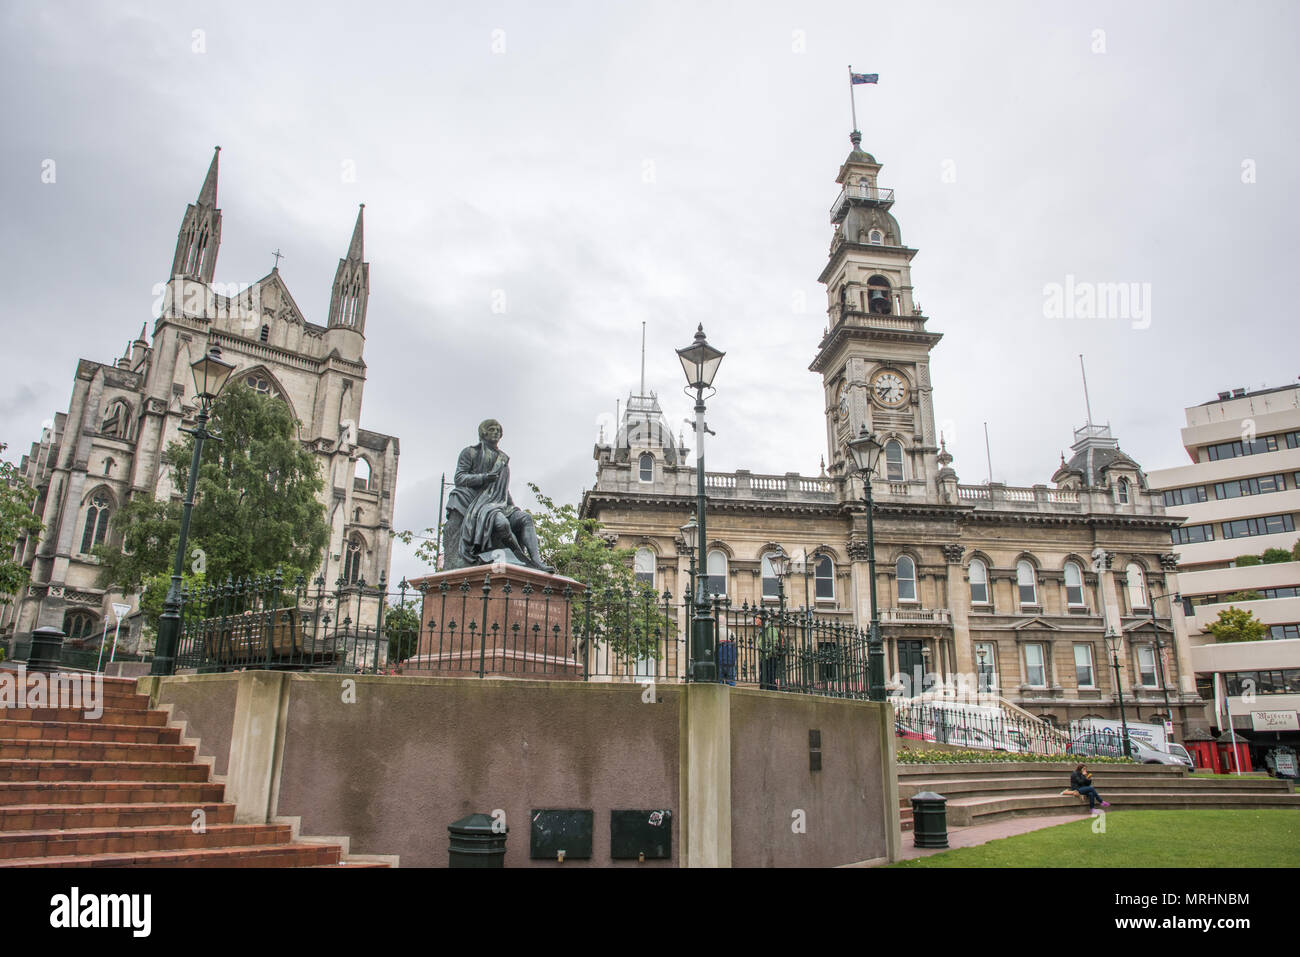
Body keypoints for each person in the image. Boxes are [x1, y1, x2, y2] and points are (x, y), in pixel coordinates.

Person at [444, 419, 551, 572]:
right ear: (483, 433)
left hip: (499, 503)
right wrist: (483, 478)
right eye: (492, 429)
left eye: (498, 430)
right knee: (502, 524)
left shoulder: (503, 459)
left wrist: (513, 507)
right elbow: (459, 478)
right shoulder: (470, 452)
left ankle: (536, 561)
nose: (495, 432)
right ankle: (521, 558)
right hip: (478, 504)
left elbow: (502, 489)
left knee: (525, 518)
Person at [756, 612, 782, 691]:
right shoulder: (762, 630)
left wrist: (766, 655)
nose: (755, 620)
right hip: (764, 658)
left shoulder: (770, 629)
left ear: (762, 619)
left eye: (757, 618)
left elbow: (774, 644)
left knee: (770, 681)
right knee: (763, 680)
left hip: (770, 658)